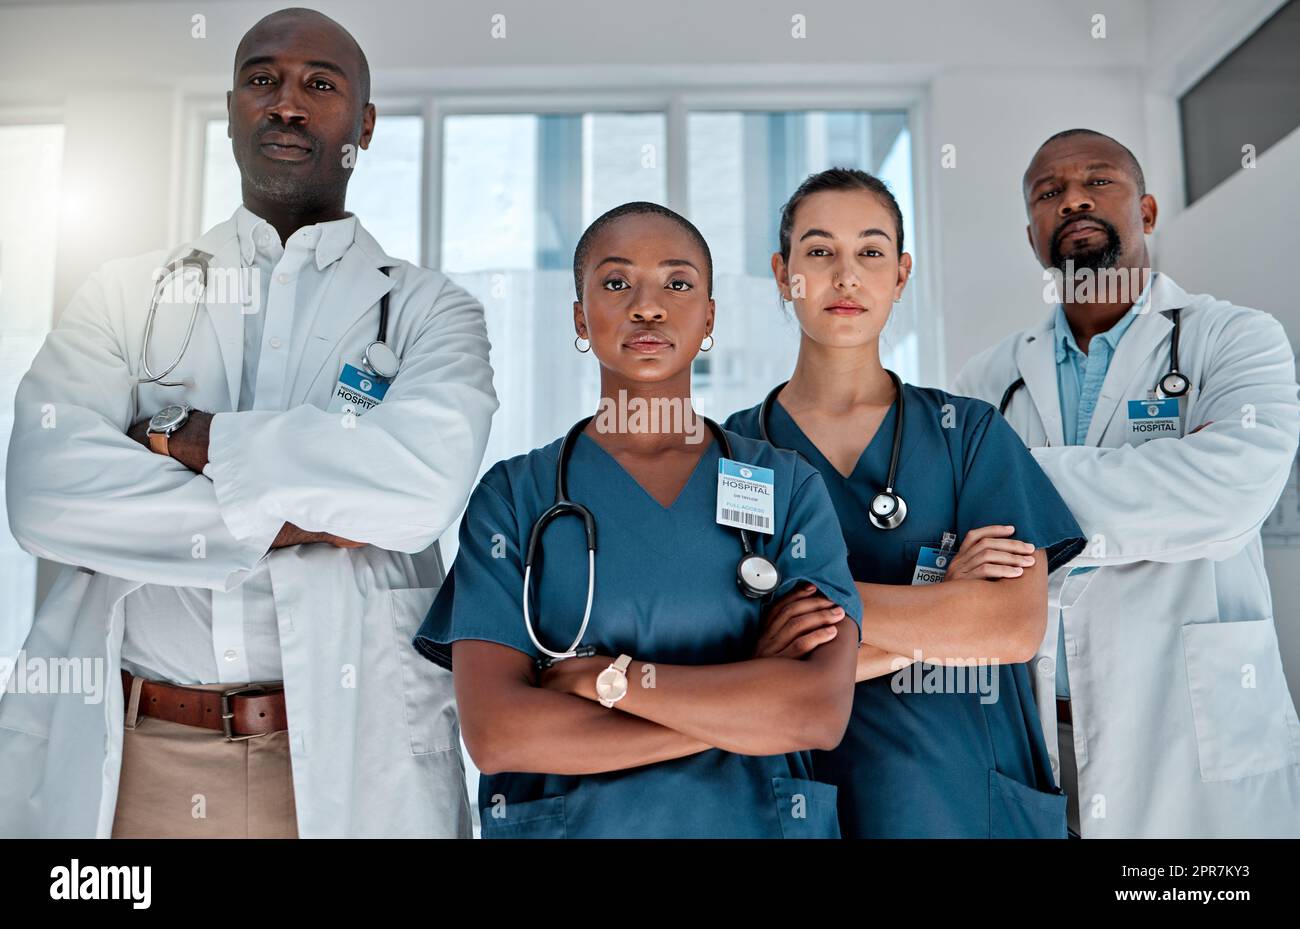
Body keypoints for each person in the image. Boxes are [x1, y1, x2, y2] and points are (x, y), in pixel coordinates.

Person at [0, 8, 497, 838]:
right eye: (263, 80)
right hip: (138, 757)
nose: (288, 104)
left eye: (321, 85)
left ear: (363, 125)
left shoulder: (430, 312)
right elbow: (44, 493)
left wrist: (192, 441)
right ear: (232, 108)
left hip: (340, 760)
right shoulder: (126, 293)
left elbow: (417, 492)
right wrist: (305, 516)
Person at [414, 201, 862, 838]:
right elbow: (499, 733)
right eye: (617, 283)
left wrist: (604, 679)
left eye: (677, 284)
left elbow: (814, 711)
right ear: (580, 316)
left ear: (709, 316)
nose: (647, 307)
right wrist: (737, 705)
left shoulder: (786, 487)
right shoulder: (516, 497)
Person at [953, 128, 1300, 837]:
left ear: (1145, 210)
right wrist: (1165, 476)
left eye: (1098, 180)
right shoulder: (985, 380)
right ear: (1032, 236)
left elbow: (1228, 496)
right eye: (1049, 193)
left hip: (1190, 738)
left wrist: (1008, 482)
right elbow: (958, 536)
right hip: (1037, 735)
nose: (1073, 197)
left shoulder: (1236, 338)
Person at [725, 168, 1086, 838]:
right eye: (818, 250)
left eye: (869, 250)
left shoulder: (968, 433)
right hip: (808, 798)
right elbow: (734, 665)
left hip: (964, 798)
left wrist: (805, 618)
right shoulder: (731, 455)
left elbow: (1010, 627)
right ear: (783, 274)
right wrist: (947, 606)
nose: (846, 274)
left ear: (901, 273)